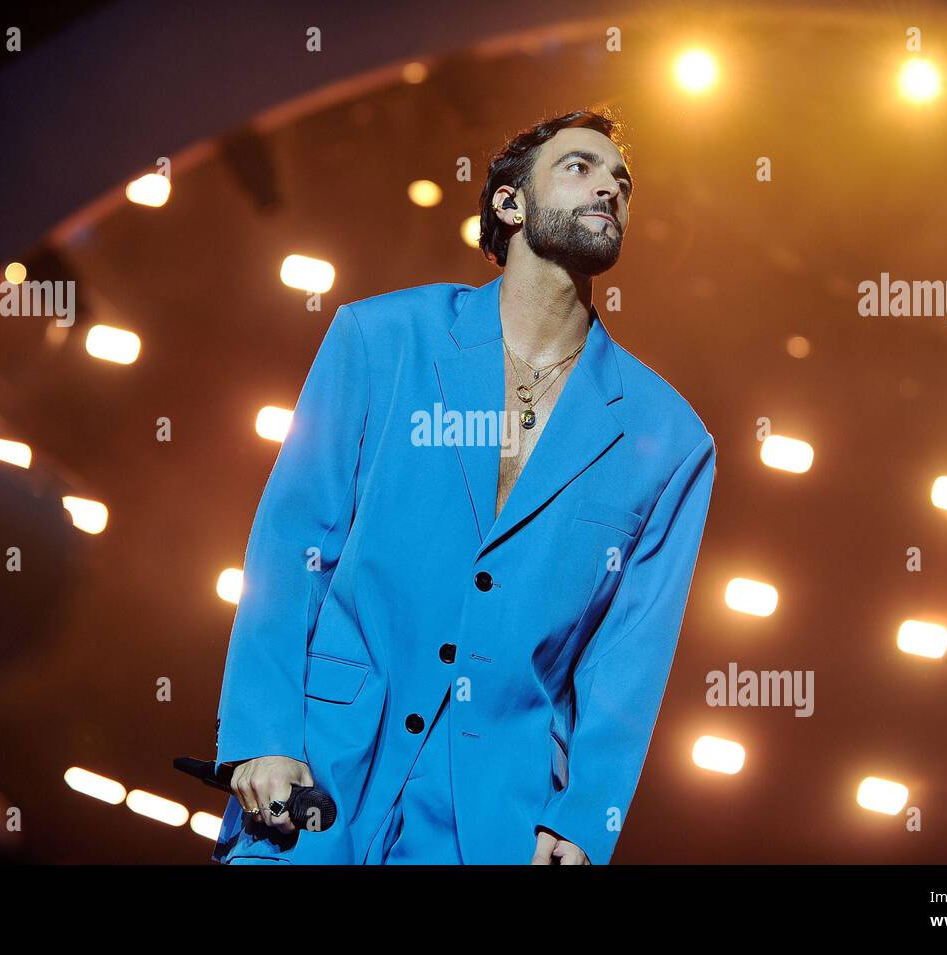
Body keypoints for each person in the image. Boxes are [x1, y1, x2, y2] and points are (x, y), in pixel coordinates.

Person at [213, 107, 716, 865]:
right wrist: (264, 734)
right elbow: (291, 545)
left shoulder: (670, 437)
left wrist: (584, 817)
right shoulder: (382, 338)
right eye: (578, 167)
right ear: (510, 204)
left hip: (491, 823)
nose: (609, 188)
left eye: (622, 181)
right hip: (317, 773)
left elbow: (631, 651)